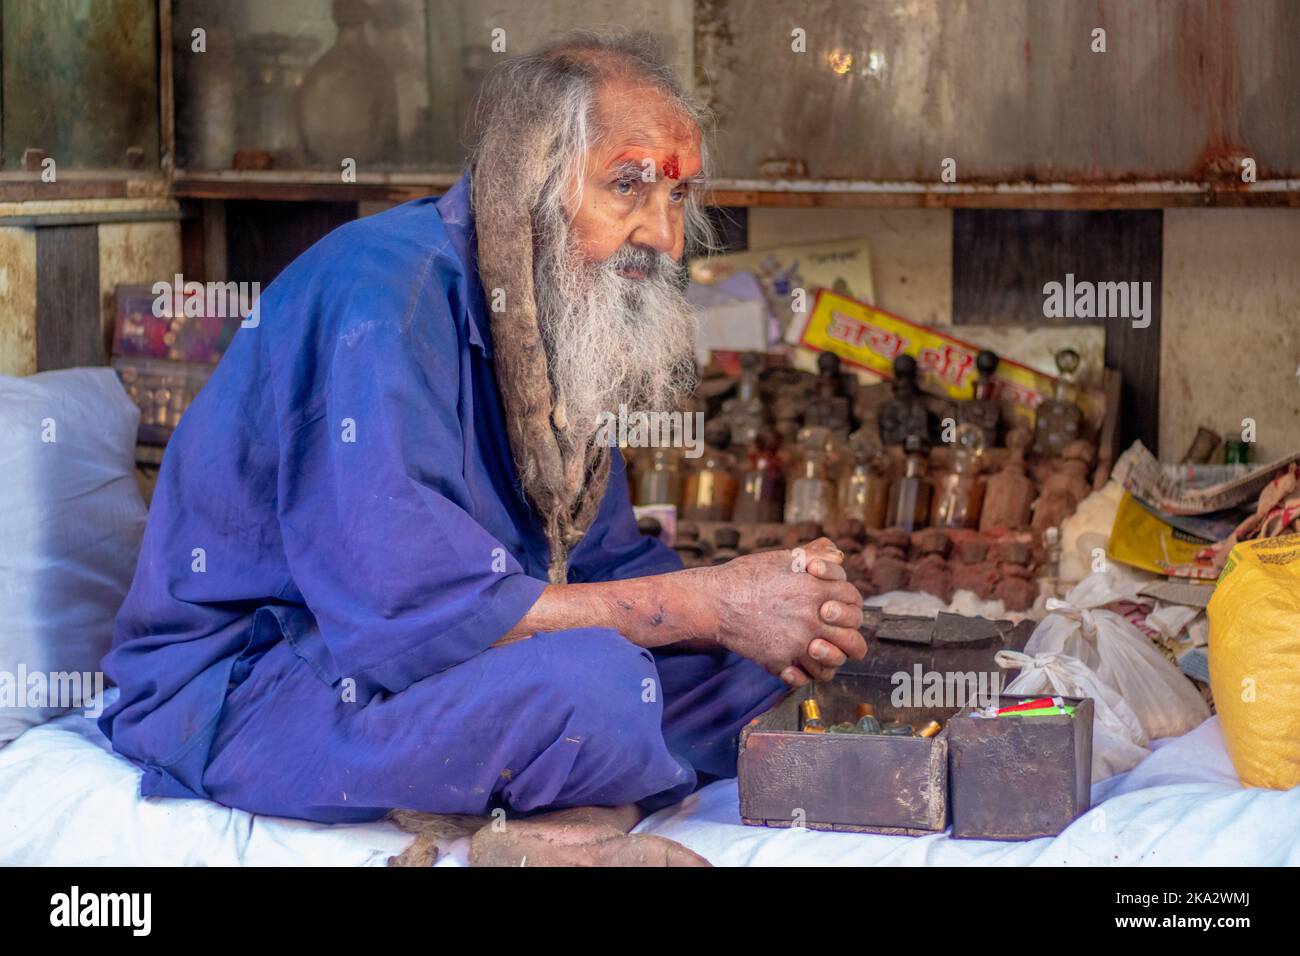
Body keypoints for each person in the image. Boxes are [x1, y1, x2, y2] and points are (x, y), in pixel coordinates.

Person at [100, 31, 865, 866]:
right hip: (259, 681)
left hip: (435, 665)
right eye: (627, 187)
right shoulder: (386, 296)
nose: (666, 237)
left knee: (764, 674)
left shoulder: (555, 306)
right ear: (534, 181)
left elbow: (599, 566)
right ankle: (570, 814)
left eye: (677, 198)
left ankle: (553, 818)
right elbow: (408, 614)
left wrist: (776, 605)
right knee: (598, 691)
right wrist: (710, 602)